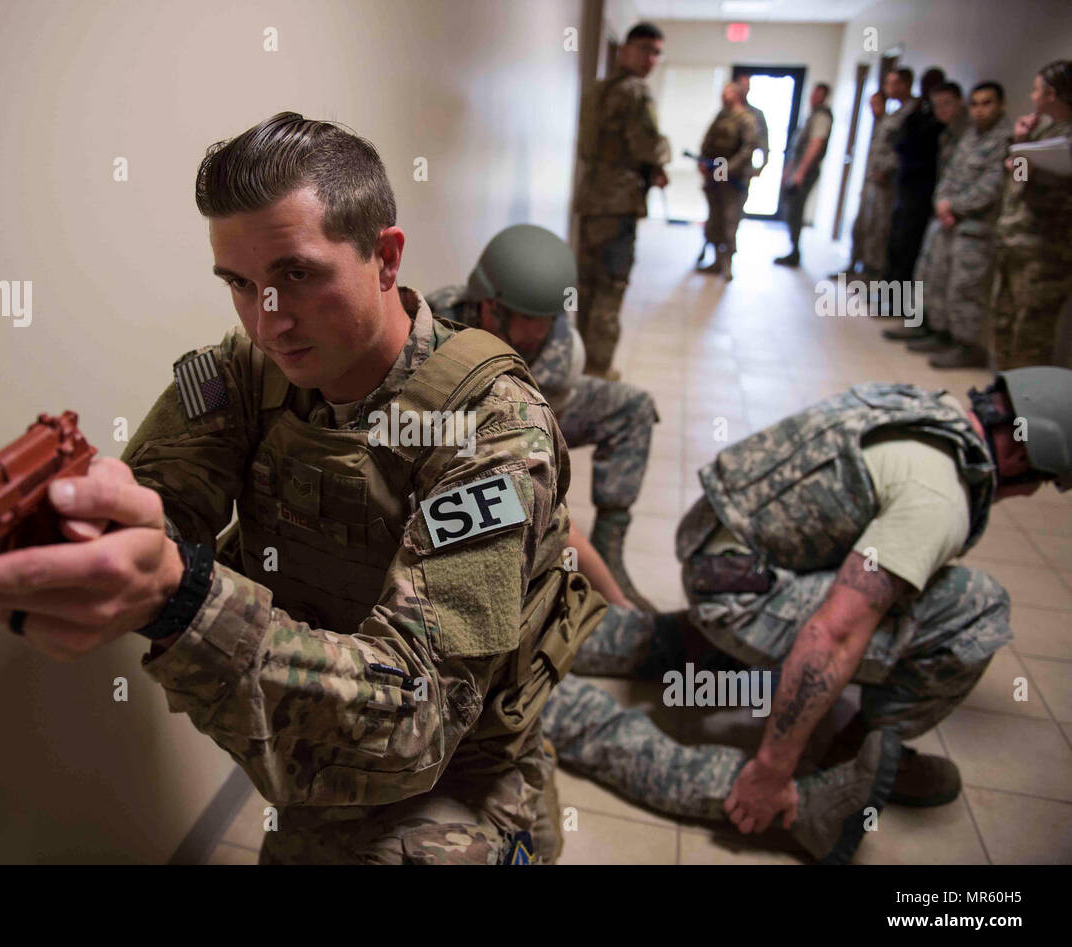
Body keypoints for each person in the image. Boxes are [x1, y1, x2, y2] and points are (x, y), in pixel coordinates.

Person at [0, 112, 613, 865]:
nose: (268, 321)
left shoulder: (492, 431)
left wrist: (180, 596)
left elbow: (417, 722)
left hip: (459, 771)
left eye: (297, 275)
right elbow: (159, 499)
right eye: (240, 284)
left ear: (385, 258)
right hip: (314, 737)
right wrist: (65, 531)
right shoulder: (247, 373)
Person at [546, 367, 1072, 855]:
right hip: (722, 588)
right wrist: (772, 771)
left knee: (558, 648)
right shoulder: (935, 473)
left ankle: (687, 650)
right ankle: (798, 801)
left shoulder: (922, 411)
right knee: (974, 609)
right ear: (1023, 457)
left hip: (717, 564)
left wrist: (612, 601)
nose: (1026, 496)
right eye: (1039, 483)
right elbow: (835, 633)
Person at [427, 225, 661, 612]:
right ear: (487, 304)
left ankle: (611, 554)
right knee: (525, 504)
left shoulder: (561, 351)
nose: (534, 333)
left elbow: (542, 436)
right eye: (522, 318)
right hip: (459, 441)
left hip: (536, 414)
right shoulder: (437, 335)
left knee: (631, 406)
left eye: (545, 319)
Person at [574, 21, 671, 380]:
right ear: (626, 49)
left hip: (592, 199)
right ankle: (598, 371)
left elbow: (587, 147)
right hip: (619, 205)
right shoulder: (637, 93)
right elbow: (648, 145)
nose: (651, 58)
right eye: (645, 49)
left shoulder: (597, 91)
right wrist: (661, 161)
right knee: (610, 289)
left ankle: (579, 364)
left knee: (586, 286)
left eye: (657, 52)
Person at [903, 82, 1011, 368]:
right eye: (975, 103)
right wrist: (942, 202)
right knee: (936, 278)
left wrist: (954, 206)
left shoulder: (1007, 140)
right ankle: (939, 330)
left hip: (975, 228)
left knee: (965, 289)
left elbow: (993, 185)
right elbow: (948, 175)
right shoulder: (969, 136)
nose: (979, 110)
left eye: (987, 103)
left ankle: (966, 346)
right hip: (948, 222)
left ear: (1001, 105)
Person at [990, 60, 1072, 369]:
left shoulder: (1066, 137)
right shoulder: (1044, 130)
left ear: (1051, 93)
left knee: (1032, 334)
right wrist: (1022, 145)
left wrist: (1026, 163)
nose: (1032, 95)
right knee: (1005, 323)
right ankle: (1005, 401)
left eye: (1036, 89)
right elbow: (1021, 180)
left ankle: (1026, 408)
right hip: (1017, 242)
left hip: (1047, 252)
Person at [881, 67, 946, 296]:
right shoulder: (917, 112)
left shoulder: (939, 121)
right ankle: (887, 292)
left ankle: (898, 300)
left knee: (909, 246)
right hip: (905, 186)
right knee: (896, 242)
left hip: (922, 192)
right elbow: (902, 144)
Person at [696, 82, 761, 280]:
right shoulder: (721, 116)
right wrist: (703, 162)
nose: (724, 96)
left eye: (728, 93)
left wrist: (727, 168)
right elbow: (707, 142)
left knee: (729, 220)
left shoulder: (746, 119)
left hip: (733, 178)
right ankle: (716, 260)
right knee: (714, 218)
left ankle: (727, 264)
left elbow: (748, 149)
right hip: (715, 175)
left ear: (737, 95)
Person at [774, 83, 832, 267]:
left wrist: (800, 172)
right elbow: (798, 148)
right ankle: (793, 249)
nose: (814, 97)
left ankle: (795, 252)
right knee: (790, 209)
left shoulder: (821, 116)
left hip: (805, 172)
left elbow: (815, 145)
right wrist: (789, 170)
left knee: (795, 210)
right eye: (814, 93)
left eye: (819, 94)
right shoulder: (812, 115)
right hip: (797, 169)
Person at [837, 90, 890, 279]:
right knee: (859, 226)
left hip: (883, 190)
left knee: (875, 231)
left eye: (877, 103)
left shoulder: (890, 126)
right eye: (871, 103)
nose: (873, 108)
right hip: (870, 186)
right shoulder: (877, 126)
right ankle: (854, 265)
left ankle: (870, 272)